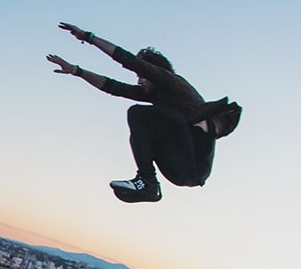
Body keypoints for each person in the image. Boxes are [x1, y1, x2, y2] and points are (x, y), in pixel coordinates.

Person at [47, 22, 241, 204]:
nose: (139, 81)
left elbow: (129, 60)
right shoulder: (155, 94)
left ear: (152, 72)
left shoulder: (171, 81)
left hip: (191, 165)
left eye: (141, 77)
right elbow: (114, 87)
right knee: (145, 121)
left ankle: (147, 181)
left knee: (139, 114)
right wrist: (76, 70)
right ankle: (148, 183)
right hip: (177, 169)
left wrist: (89, 37)